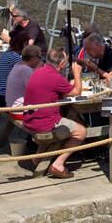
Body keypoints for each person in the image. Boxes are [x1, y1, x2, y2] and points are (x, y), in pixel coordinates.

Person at [22, 47, 84, 178]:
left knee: (69, 115)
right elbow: (77, 93)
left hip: (30, 120)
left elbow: (53, 90)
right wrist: (77, 73)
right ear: (61, 64)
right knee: (82, 131)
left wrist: (68, 85)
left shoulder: (38, 72)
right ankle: (58, 164)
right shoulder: (55, 77)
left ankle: (39, 157)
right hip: (43, 126)